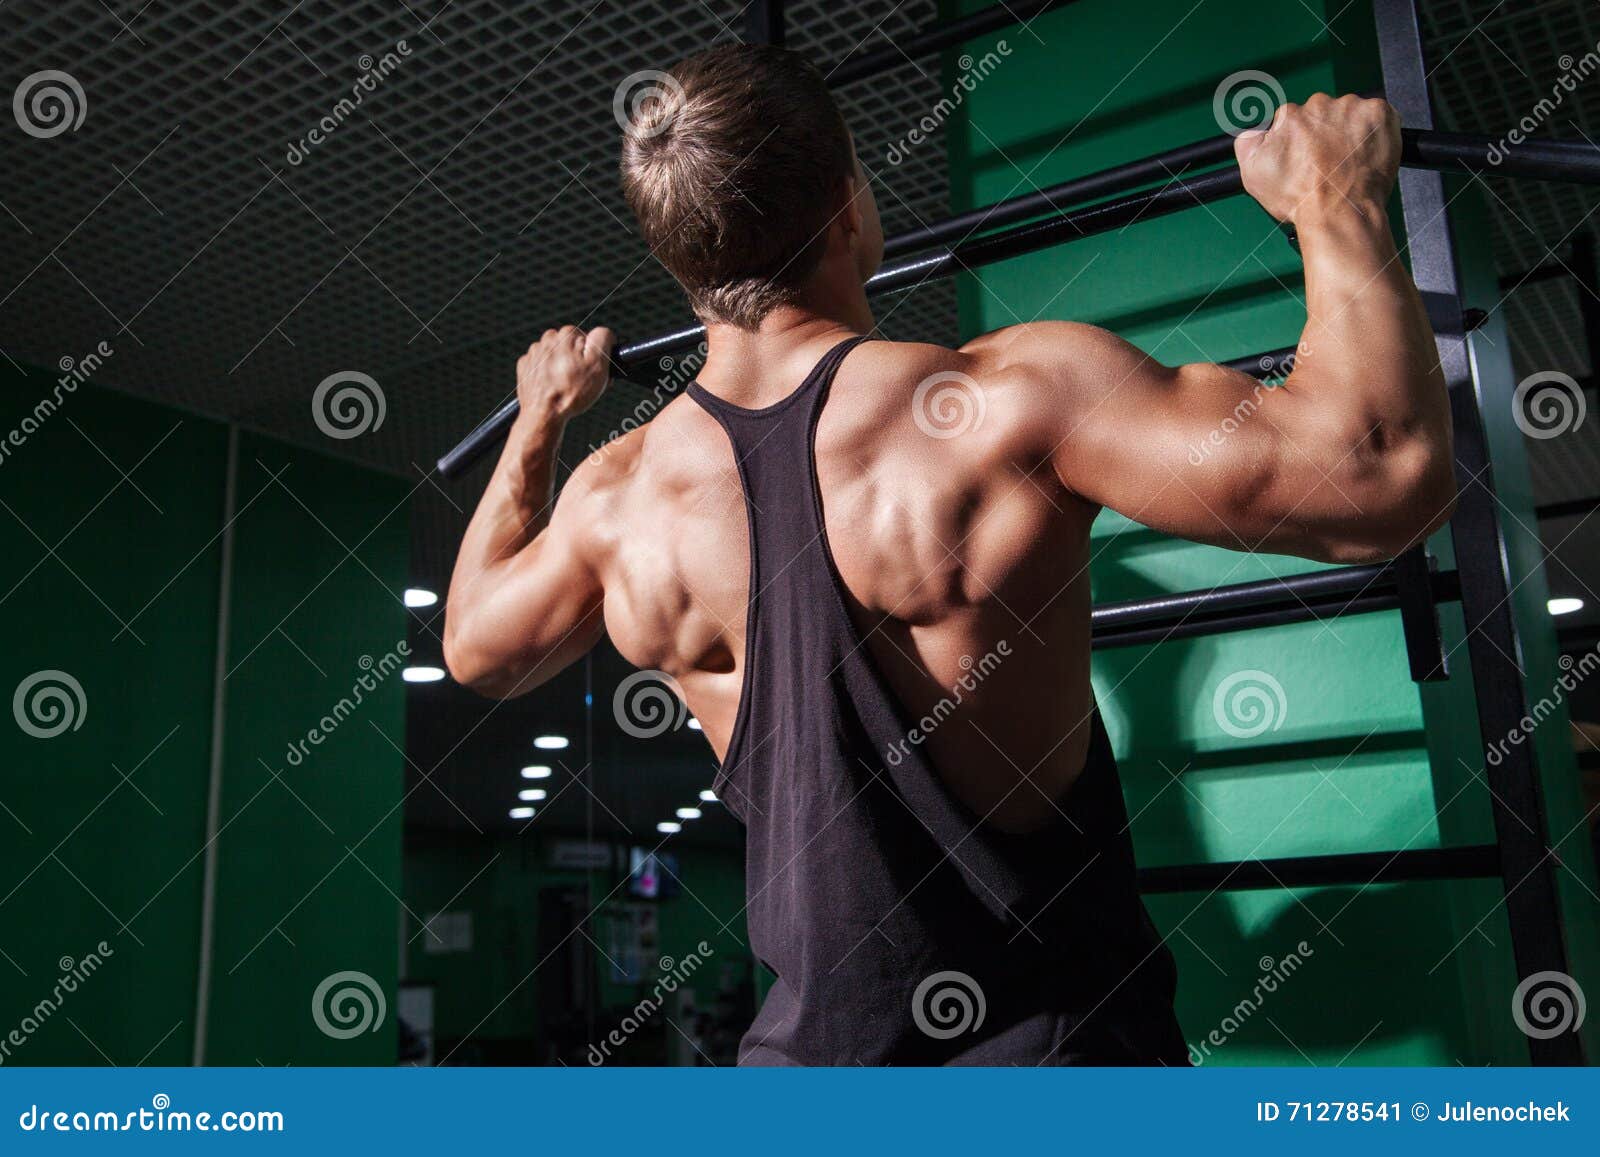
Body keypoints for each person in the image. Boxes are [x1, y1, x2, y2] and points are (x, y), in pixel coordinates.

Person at [444, 45, 1456, 1065]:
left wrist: (538, 419)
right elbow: (1381, 473)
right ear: (850, 202)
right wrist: (1334, 199)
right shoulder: (1010, 401)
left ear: (683, 264)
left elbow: (477, 647)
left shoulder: (616, 501)